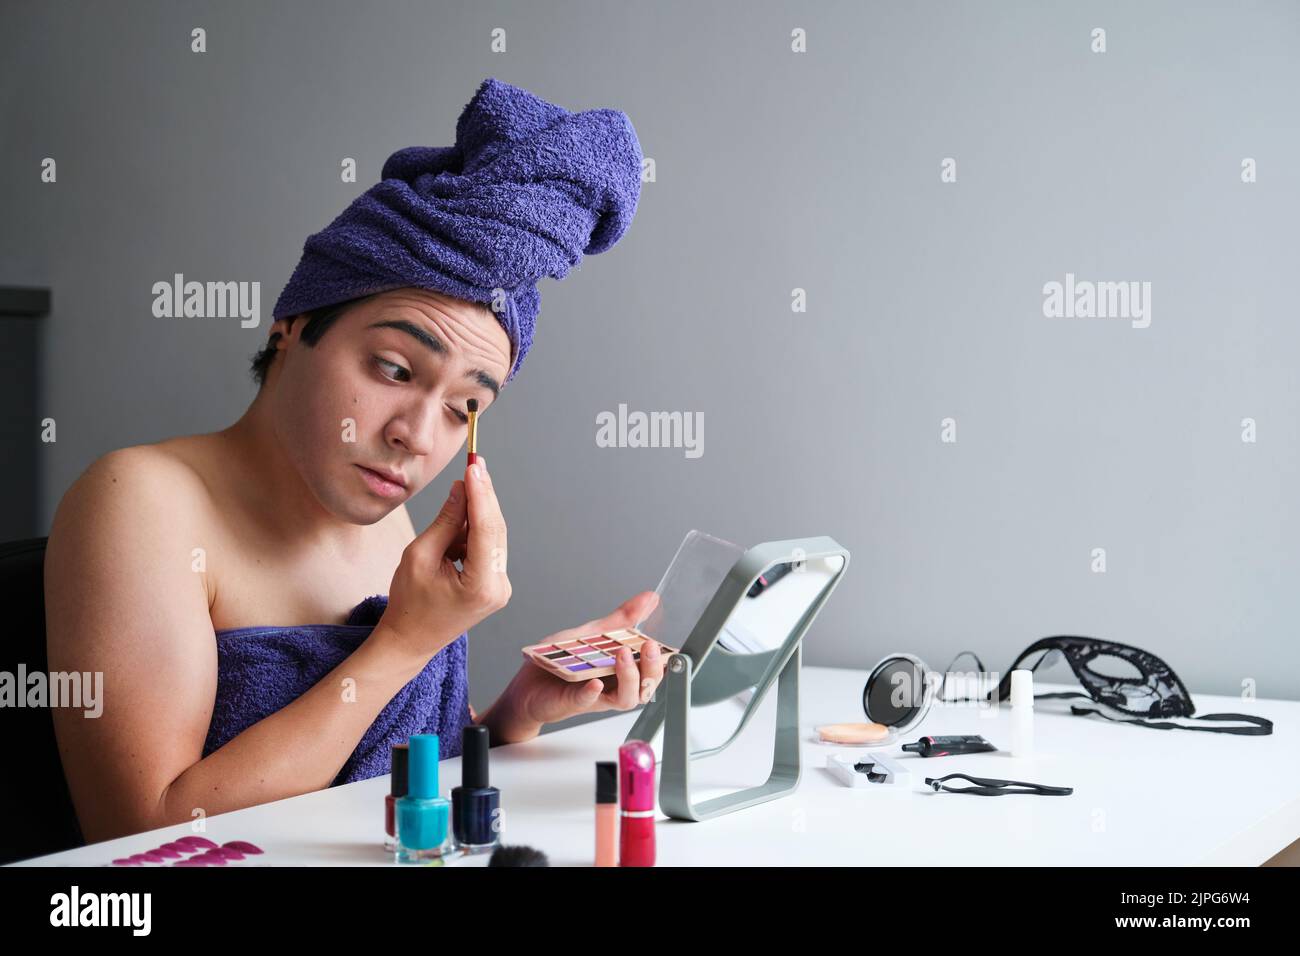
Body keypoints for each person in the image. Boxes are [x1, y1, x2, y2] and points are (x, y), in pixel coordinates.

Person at [44, 78, 657, 844]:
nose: (416, 435)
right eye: (395, 370)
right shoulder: (140, 502)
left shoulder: (387, 520)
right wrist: (409, 639)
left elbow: (381, 773)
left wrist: (513, 717)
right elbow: (146, 829)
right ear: (293, 325)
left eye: (465, 406)